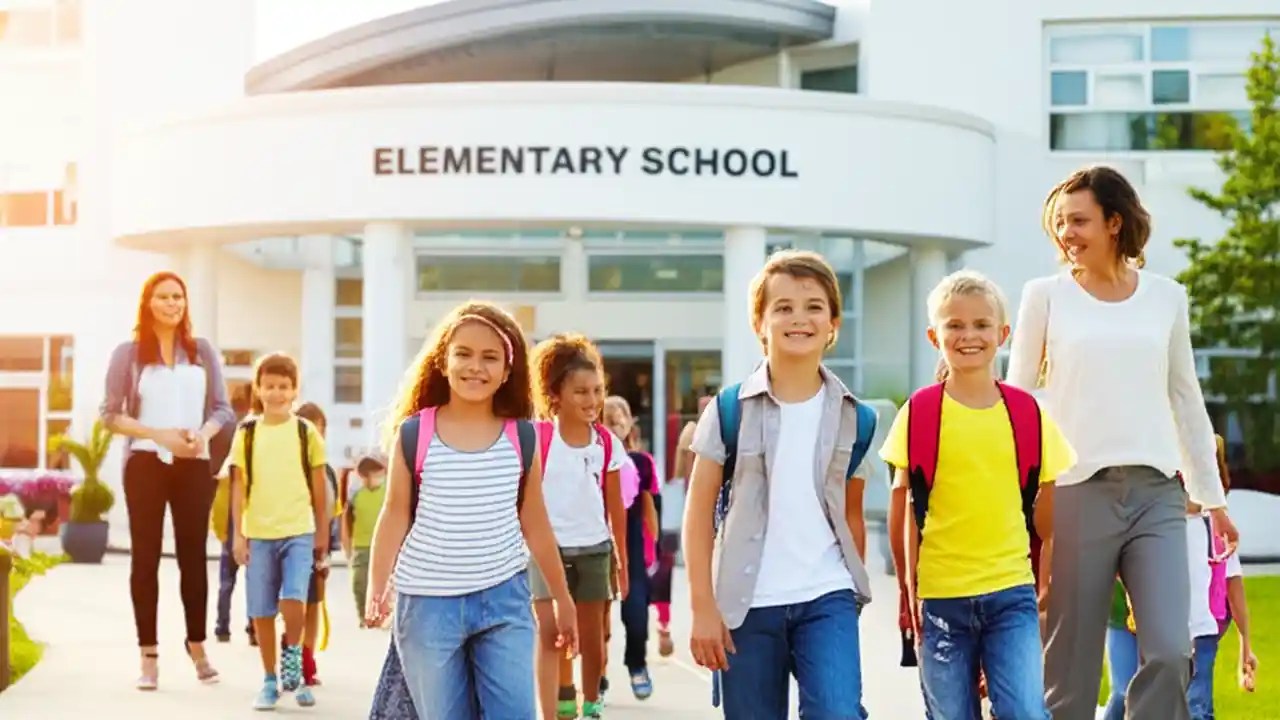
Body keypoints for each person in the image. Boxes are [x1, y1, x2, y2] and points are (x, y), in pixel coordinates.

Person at [1005, 165, 1241, 720]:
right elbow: (1018, 401)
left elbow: (1186, 400)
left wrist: (1214, 500)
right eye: (1060, 223)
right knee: (1070, 667)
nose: (1067, 233)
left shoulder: (1167, 297)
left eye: (1080, 221)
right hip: (1075, 492)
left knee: (1167, 649)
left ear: (1115, 222)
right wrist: (1017, 496)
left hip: (1157, 493)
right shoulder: (1045, 296)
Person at [684, 249, 874, 719]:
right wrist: (703, 608)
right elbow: (697, 515)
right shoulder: (728, 410)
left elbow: (852, 517)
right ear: (759, 323)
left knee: (838, 712)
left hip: (826, 598)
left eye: (813, 307)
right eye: (783, 307)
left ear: (833, 323)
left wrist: (850, 598)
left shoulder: (857, 418)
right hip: (747, 607)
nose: (799, 318)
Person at [364, 302, 577, 719]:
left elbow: (534, 521)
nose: (475, 366)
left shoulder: (523, 438)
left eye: (490, 357)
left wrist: (562, 598)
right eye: (463, 353)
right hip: (427, 606)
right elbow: (394, 514)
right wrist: (377, 584)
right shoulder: (416, 433)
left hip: (504, 601)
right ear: (443, 361)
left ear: (506, 370)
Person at [882, 270, 1074, 720]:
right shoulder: (919, 413)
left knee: (1026, 711)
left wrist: (1045, 584)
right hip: (941, 598)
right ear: (935, 336)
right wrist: (909, 597)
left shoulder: (1028, 413)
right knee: (951, 714)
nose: (969, 335)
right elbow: (902, 514)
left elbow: (1049, 515)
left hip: (1011, 592)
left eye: (981, 325)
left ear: (1002, 334)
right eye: (954, 325)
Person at [100, 270, 234, 690]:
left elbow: (223, 409)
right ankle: (149, 655)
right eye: (163, 297)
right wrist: (159, 435)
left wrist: (201, 436)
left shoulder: (202, 351)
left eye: (178, 296)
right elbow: (109, 414)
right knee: (145, 558)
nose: (172, 303)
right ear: (148, 302)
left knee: (194, 557)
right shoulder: (129, 354)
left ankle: (197, 647)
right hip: (145, 463)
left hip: (193, 465)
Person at [528, 333, 629, 720]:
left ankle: (590, 705)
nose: (592, 401)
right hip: (545, 552)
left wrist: (623, 565)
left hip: (594, 550)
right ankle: (554, 708)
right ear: (556, 394)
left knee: (592, 639)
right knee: (550, 632)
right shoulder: (538, 440)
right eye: (581, 392)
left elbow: (615, 510)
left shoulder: (605, 444)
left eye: (597, 391)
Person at [229, 353, 329, 710]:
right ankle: (271, 679)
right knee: (261, 610)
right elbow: (238, 485)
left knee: (294, 599)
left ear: (294, 390)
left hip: (299, 530)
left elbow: (320, 487)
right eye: (269, 386)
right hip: (258, 532)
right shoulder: (247, 433)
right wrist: (239, 535)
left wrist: (321, 531)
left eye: (283, 387)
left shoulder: (306, 432)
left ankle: (294, 664)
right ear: (259, 388)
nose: (276, 393)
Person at [1186, 433, 1256, 719]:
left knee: (1197, 709)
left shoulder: (1215, 526)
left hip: (1202, 631)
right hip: (1162, 635)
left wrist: (1246, 647)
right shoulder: (1158, 522)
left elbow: (1234, 586)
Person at [603, 395, 660, 701]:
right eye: (607, 418)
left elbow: (651, 510)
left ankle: (637, 664)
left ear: (629, 424)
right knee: (598, 623)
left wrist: (656, 550)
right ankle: (597, 676)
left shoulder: (641, 462)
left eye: (619, 417)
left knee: (637, 615)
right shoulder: (591, 459)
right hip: (597, 545)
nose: (613, 423)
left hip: (634, 549)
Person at [294, 401, 340, 686]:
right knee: (292, 606)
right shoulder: (290, 469)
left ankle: (307, 660)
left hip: (317, 548)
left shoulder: (328, 470)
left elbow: (333, 511)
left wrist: (327, 550)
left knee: (313, 605)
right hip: (292, 542)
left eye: (320, 430)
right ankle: (292, 657)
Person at [213, 388, 254, 645]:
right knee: (252, 581)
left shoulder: (226, 474)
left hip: (232, 531)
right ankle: (250, 628)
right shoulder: (240, 472)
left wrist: (221, 532)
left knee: (227, 582)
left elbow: (218, 506)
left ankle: (222, 627)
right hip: (244, 530)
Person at [341, 452, 386, 627]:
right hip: (361, 546)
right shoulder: (356, 497)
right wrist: (347, 547)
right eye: (375, 474)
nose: (378, 478)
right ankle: (364, 616)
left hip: (382, 545)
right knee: (360, 584)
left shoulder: (386, 494)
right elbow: (347, 522)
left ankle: (381, 615)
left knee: (382, 585)